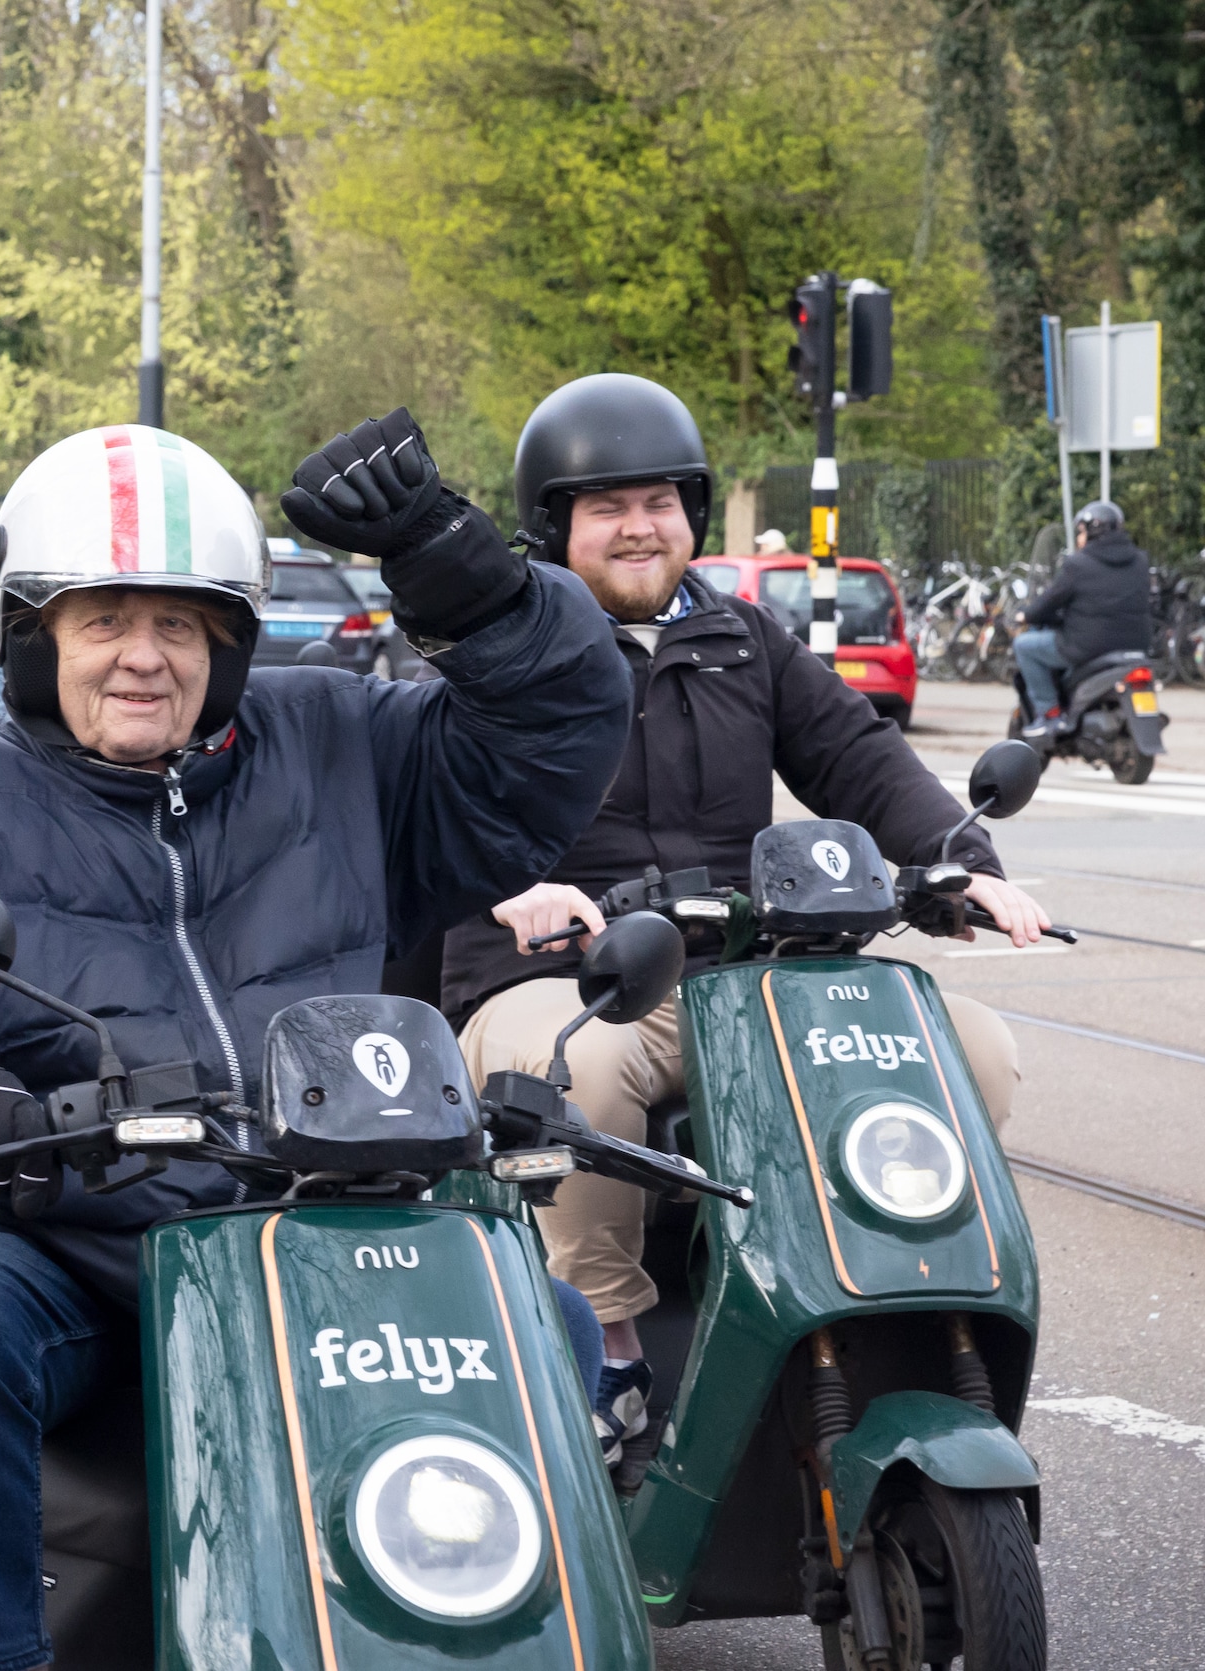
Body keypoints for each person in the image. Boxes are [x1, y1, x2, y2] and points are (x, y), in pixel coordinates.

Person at [0, 417, 631, 1671]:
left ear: (230, 641)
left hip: (323, 1233)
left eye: (181, 625)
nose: (142, 659)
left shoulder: (344, 746)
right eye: (103, 620)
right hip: (74, 1245)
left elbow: (550, 739)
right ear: (32, 633)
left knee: (550, 1324)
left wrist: (454, 565)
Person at [441, 374, 1042, 1469]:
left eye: (660, 501)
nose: (639, 527)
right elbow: (414, 797)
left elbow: (856, 757)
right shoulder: (493, 655)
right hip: (570, 978)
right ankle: (611, 1357)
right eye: (607, 506)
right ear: (550, 525)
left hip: (738, 973)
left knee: (970, 1054)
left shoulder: (742, 639)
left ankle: (884, 1297)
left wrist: (956, 863)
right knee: (576, 1069)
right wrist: (505, 885)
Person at [1012, 499, 1153, 736]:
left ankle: (1049, 713)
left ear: (1093, 531)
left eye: (1081, 532)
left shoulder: (1078, 564)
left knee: (1024, 645)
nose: (1079, 538)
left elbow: (1050, 601)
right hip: (1136, 645)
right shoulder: (1140, 561)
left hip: (1088, 646)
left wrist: (1026, 614)